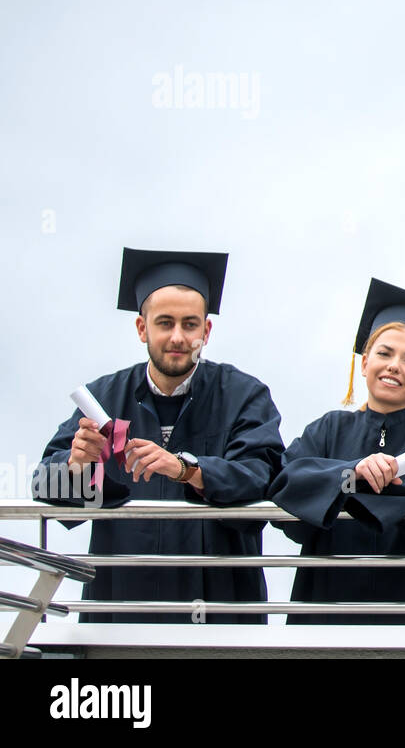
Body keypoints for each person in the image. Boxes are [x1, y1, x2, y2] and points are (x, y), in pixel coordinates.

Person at [34, 248, 284, 623]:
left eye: (190, 324)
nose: (178, 337)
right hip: (120, 608)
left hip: (222, 613)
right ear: (142, 328)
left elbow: (264, 476)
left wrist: (187, 469)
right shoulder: (102, 398)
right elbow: (42, 484)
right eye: (165, 322)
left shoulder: (244, 396)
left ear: (206, 330)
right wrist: (75, 466)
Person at [268, 278, 405, 625]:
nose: (394, 365)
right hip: (327, 604)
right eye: (384, 354)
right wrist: (354, 471)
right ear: (365, 363)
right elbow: (286, 482)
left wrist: (362, 486)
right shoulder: (327, 429)